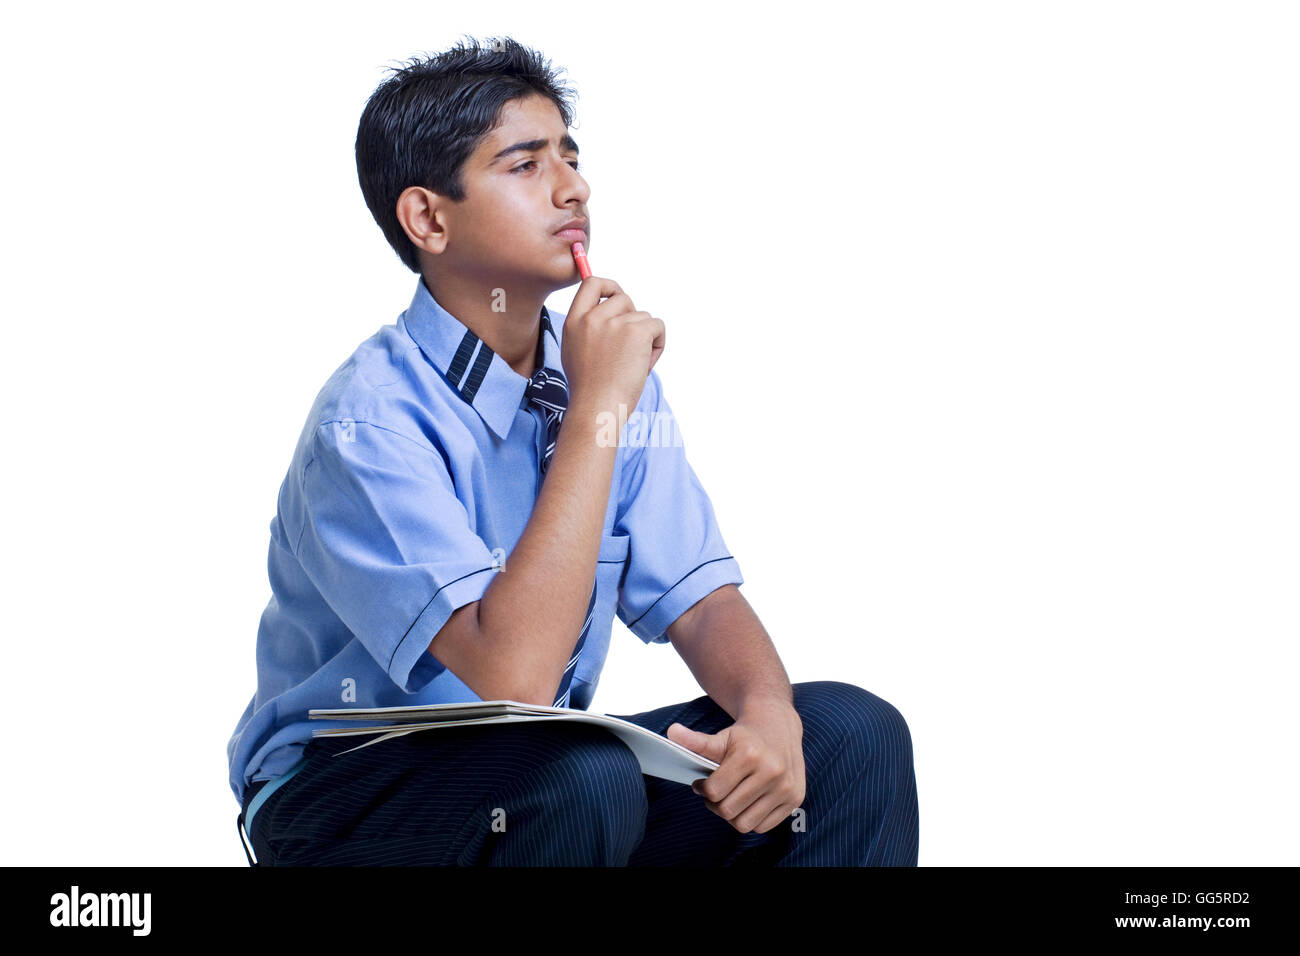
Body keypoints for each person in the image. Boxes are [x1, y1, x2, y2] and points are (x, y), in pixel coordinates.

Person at [227, 34, 919, 867]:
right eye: (524, 165)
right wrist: (598, 406)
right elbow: (513, 674)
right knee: (580, 776)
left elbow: (701, 603)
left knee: (848, 737)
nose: (574, 187)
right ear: (429, 218)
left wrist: (768, 716)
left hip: (542, 772)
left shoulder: (599, 374)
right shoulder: (368, 425)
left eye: (570, 154)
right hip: (340, 795)